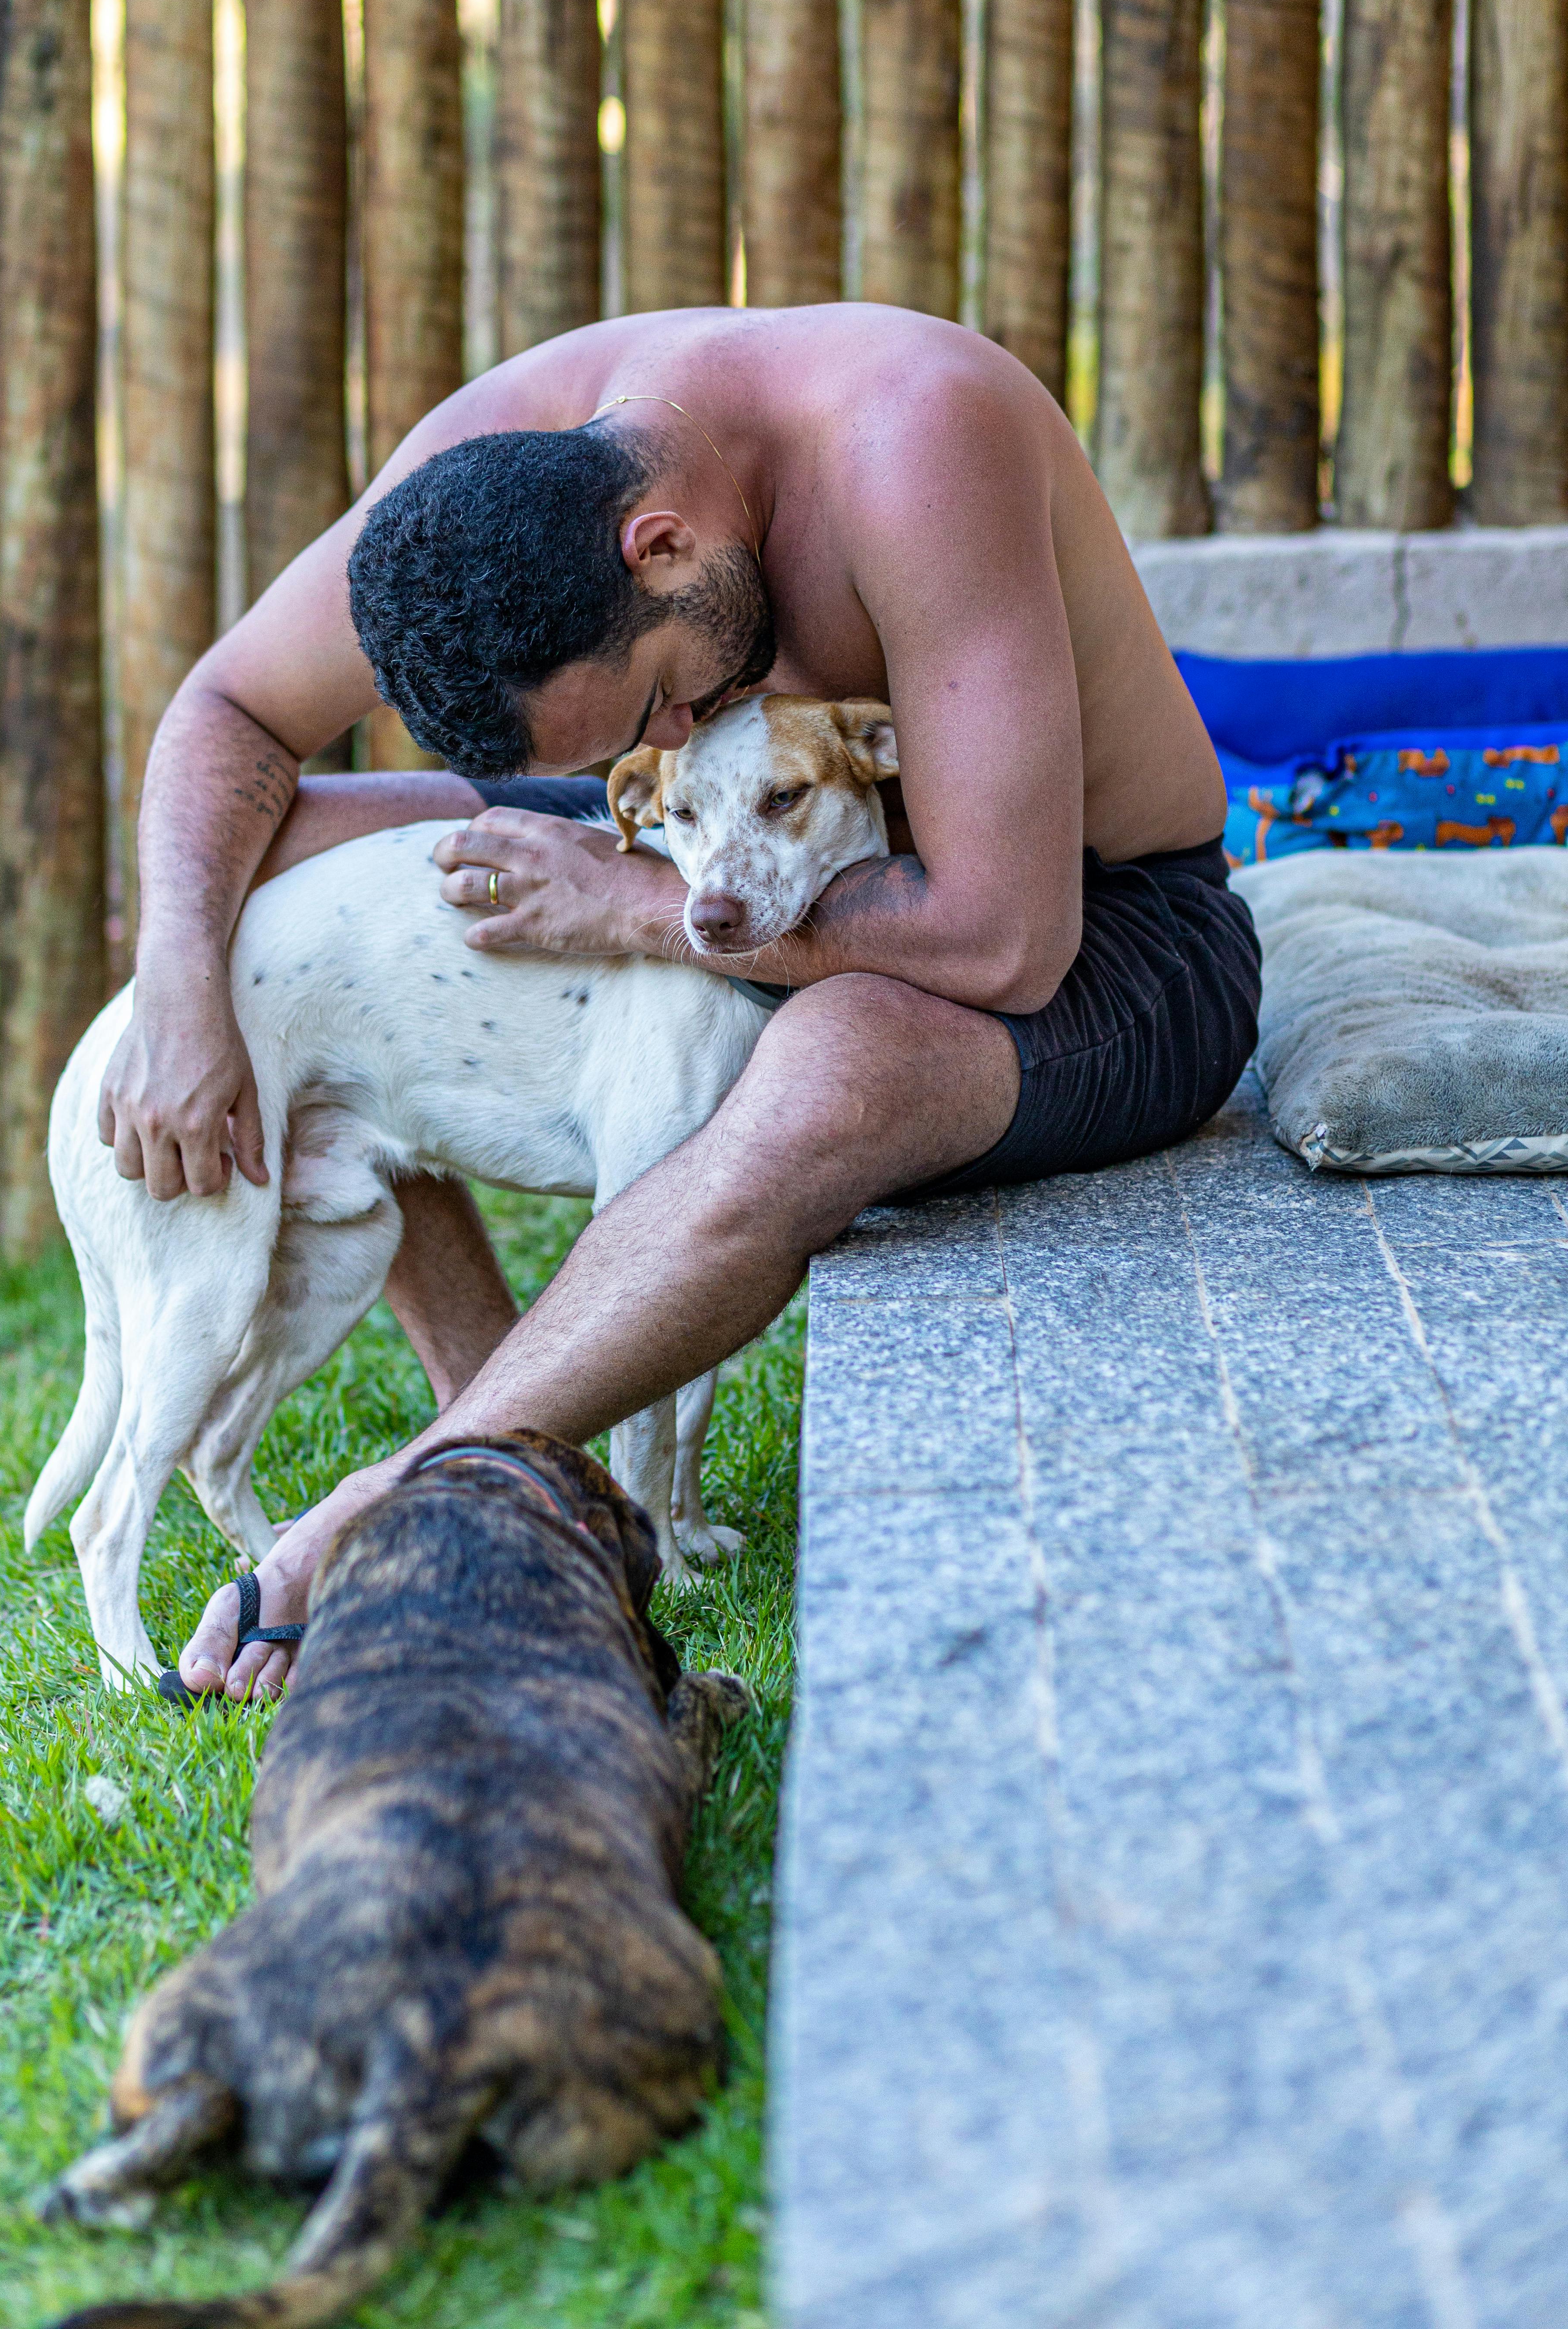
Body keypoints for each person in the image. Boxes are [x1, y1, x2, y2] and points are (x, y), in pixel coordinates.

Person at [102, 303, 1258, 1700]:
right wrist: (183, 995)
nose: (664, 746)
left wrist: (639, 901)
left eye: (656, 705)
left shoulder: (912, 437)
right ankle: (516, 1393)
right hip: (729, 856)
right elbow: (229, 713)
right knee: (292, 874)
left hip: (1115, 931)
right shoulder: (499, 461)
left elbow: (1007, 938)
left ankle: (414, 1486)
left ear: (661, 546)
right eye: (638, 745)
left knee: (837, 1053)